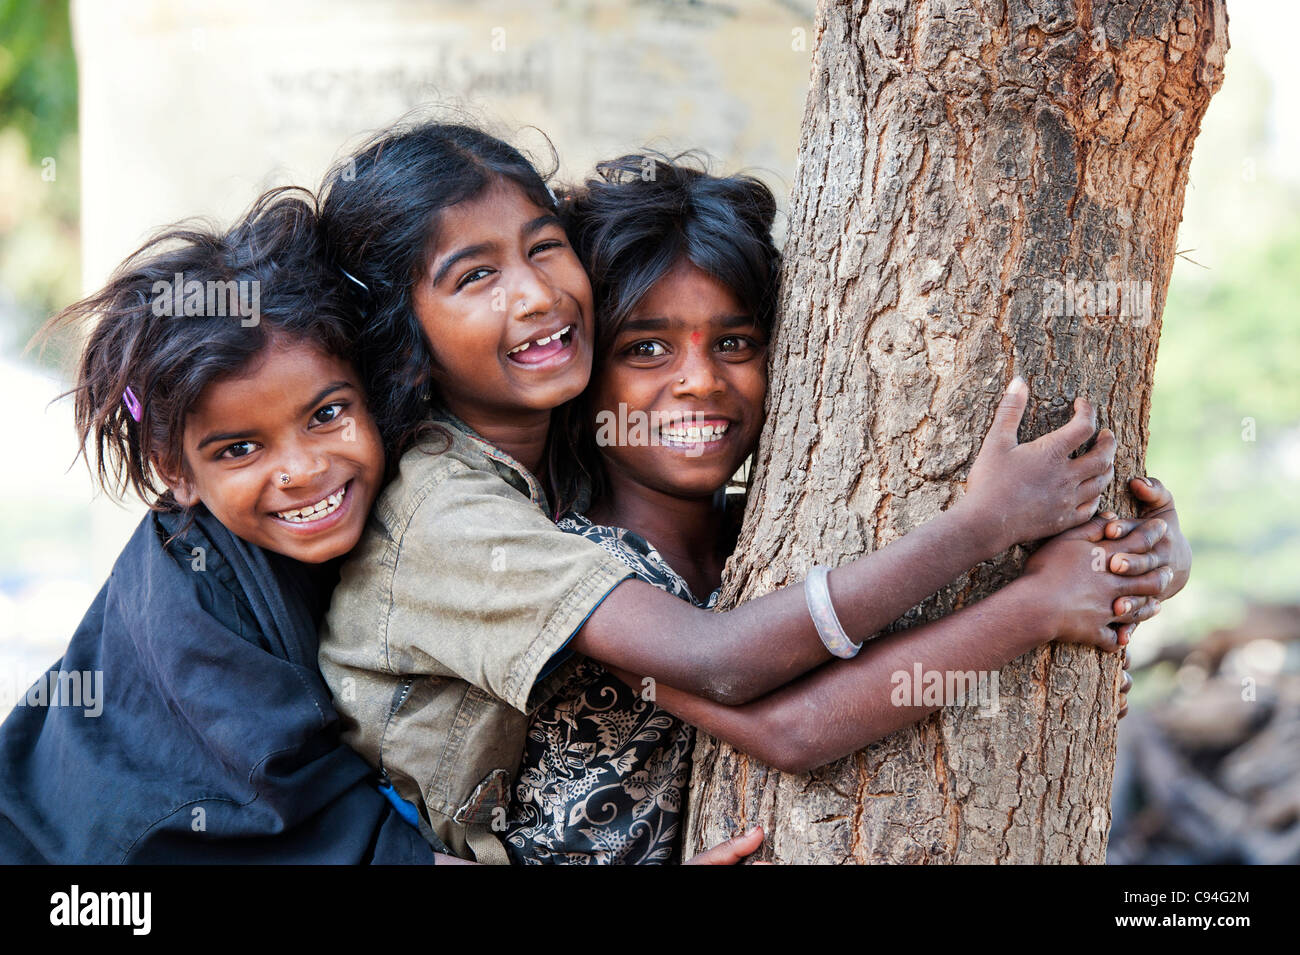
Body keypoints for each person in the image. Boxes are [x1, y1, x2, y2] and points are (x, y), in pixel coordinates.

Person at [315, 120, 1161, 864]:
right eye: (645, 349)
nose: (695, 382)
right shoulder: (525, 539)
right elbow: (773, 711)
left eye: (543, 248)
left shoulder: (737, 526)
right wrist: (1014, 568)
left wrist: (1133, 553)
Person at [0, 188, 451, 863]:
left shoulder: (421, 497)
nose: (301, 469)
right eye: (240, 449)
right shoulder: (196, 605)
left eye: (327, 413)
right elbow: (359, 849)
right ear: (175, 472)